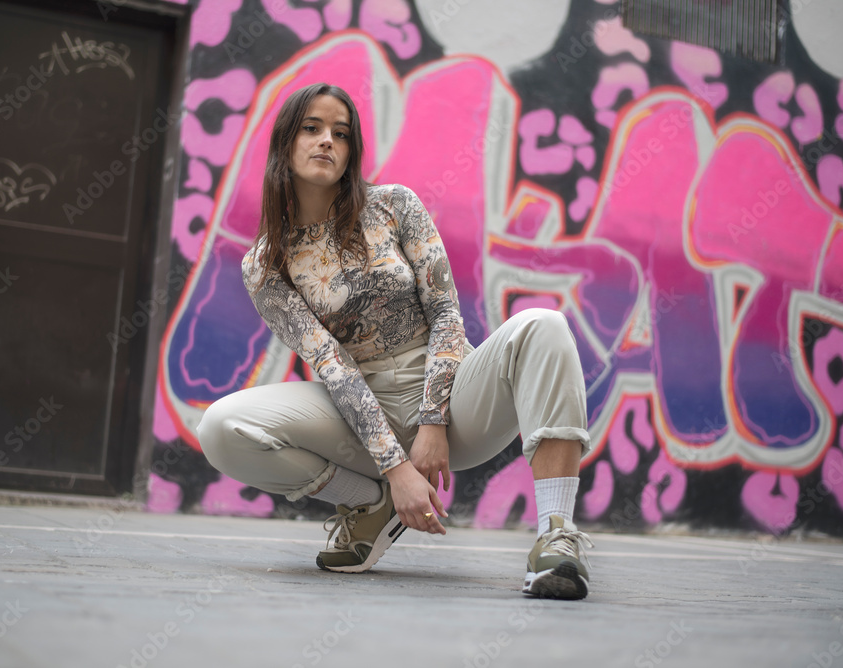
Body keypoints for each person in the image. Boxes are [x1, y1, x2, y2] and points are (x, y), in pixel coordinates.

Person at [197, 83, 594, 599]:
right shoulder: (265, 263)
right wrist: (396, 471)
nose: (327, 141)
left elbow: (446, 312)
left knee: (544, 324)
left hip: (452, 399)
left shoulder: (393, 205)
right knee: (222, 427)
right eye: (312, 128)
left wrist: (433, 421)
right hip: (357, 407)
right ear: (285, 142)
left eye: (341, 133)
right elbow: (331, 363)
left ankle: (557, 537)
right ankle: (369, 503)